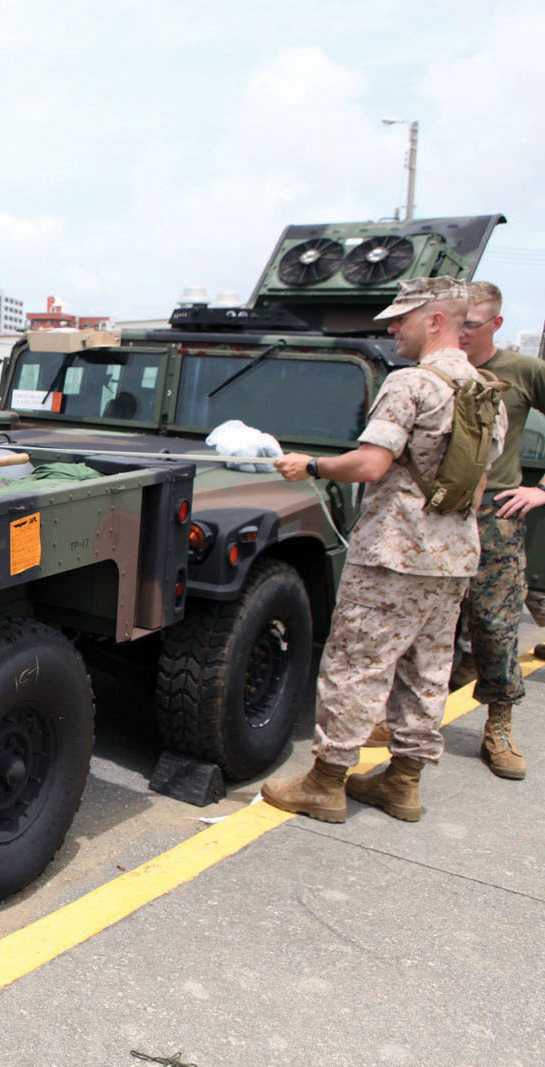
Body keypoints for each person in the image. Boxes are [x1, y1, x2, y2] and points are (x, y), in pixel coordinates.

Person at [261, 276, 503, 823]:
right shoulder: (486, 393)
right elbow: (477, 489)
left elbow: (371, 465)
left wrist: (312, 465)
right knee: (428, 668)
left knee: (354, 666)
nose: (393, 327)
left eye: (403, 317)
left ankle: (325, 784)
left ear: (436, 320)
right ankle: (403, 782)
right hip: (454, 557)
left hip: (394, 554)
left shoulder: (412, 383)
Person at [446, 282, 541, 779]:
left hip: (495, 516)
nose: (462, 332)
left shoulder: (522, 371)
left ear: (496, 325)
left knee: (494, 624)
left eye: (473, 325)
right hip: (441, 512)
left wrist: (542, 490)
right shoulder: (442, 366)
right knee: (429, 619)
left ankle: (498, 725)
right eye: (456, 321)